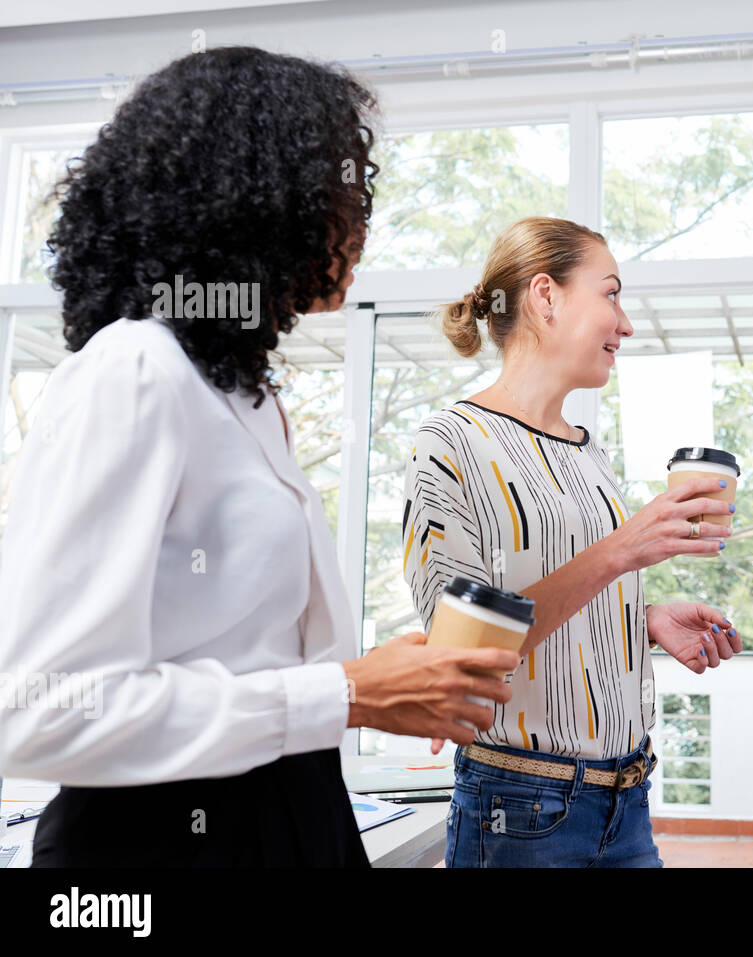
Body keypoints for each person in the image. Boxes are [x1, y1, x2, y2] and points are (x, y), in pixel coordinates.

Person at [0, 47, 517, 867]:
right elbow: (40, 710)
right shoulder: (134, 369)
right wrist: (347, 692)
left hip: (292, 810)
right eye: (341, 189)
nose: (360, 215)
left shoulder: (243, 395)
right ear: (256, 201)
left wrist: (372, 686)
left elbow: (247, 650)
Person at [402, 216, 744, 867]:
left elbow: (564, 602)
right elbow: (456, 656)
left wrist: (639, 619)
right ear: (546, 296)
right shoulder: (449, 443)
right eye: (610, 293)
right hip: (520, 810)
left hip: (628, 800)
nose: (627, 322)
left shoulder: (590, 453)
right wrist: (621, 550)